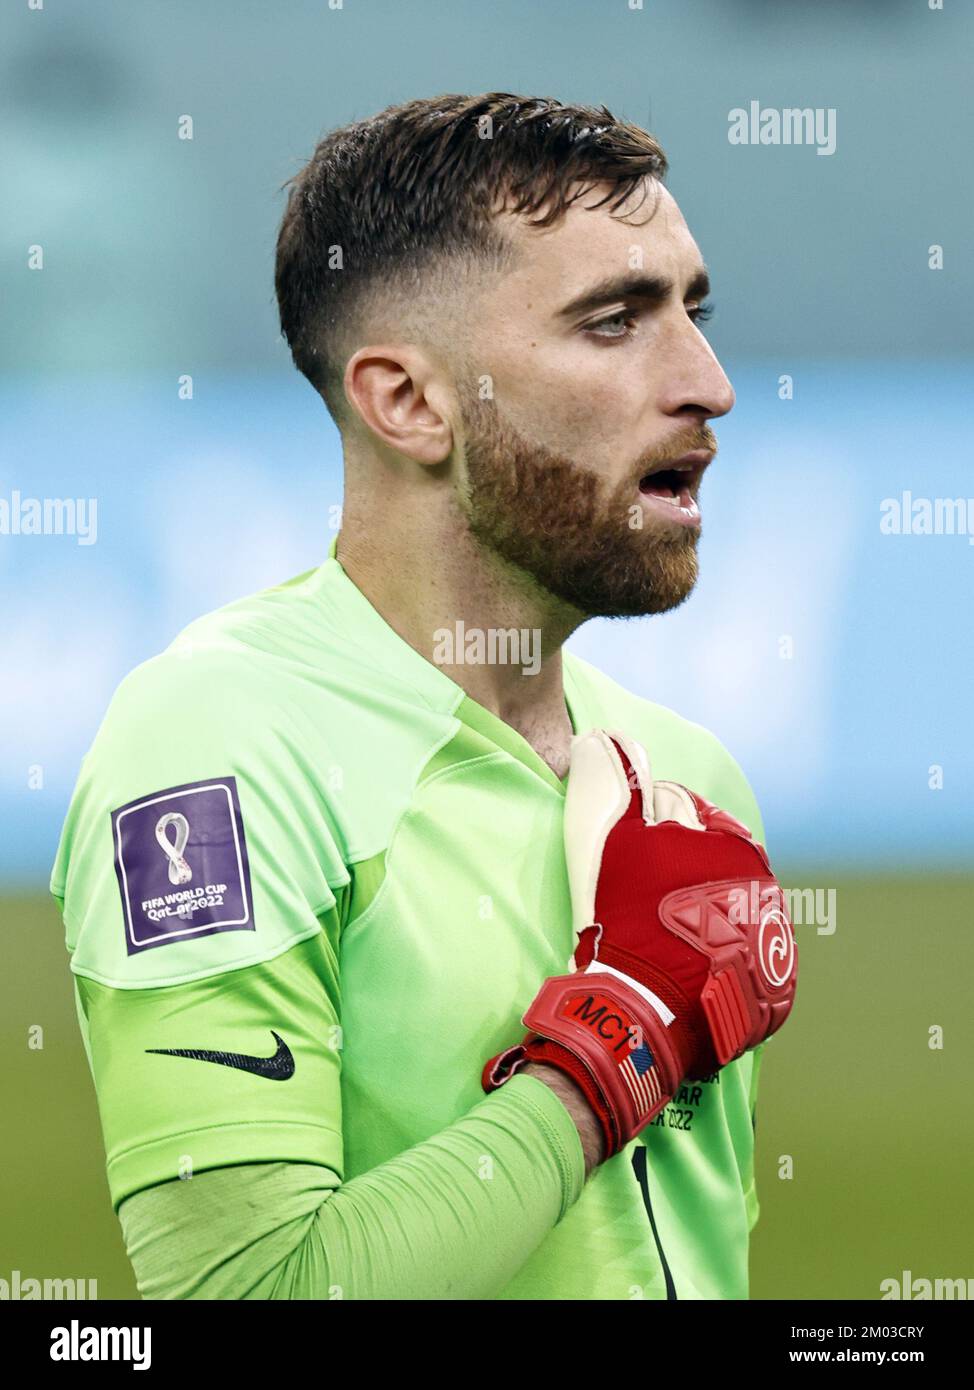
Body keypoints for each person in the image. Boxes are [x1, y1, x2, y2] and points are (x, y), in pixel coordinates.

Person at [51, 92, 791, 1300]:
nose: (706, 382)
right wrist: (618, 1039)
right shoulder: (218, 750)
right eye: (614, 322)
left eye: (692, 314)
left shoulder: (683, 778)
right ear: (407, 401)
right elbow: (251, 1291)